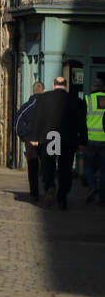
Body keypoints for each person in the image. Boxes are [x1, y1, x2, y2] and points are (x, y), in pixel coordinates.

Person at [33, 76, 87, 209]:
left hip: (52, 137)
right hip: (68, 139)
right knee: (65, 168)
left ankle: (50, 186)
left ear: (53, 85)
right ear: (66, 86)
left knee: (49, 164)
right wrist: (83, 139)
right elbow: (81, 122)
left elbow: (37, 119)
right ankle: (62, 196)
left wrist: (35, 137)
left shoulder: (43, 99)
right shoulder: (76, 101)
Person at [15, 81, 44, 202]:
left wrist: (24, 137)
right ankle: (49, 190)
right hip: (47, 140)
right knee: (49, 166)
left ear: (33, 91)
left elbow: (17, 124)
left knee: (32, 167)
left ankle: (34, 193)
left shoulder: (26, 106)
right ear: (43, 91)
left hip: (31, 140)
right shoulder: (48, 107)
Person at [85, 77, 105, 202]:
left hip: (90, 139)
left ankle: (92, 186)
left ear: (92, 88)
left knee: (87, 167)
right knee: (104, 170)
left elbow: (82, 119)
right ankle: (102, 199)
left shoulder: (87, 100)